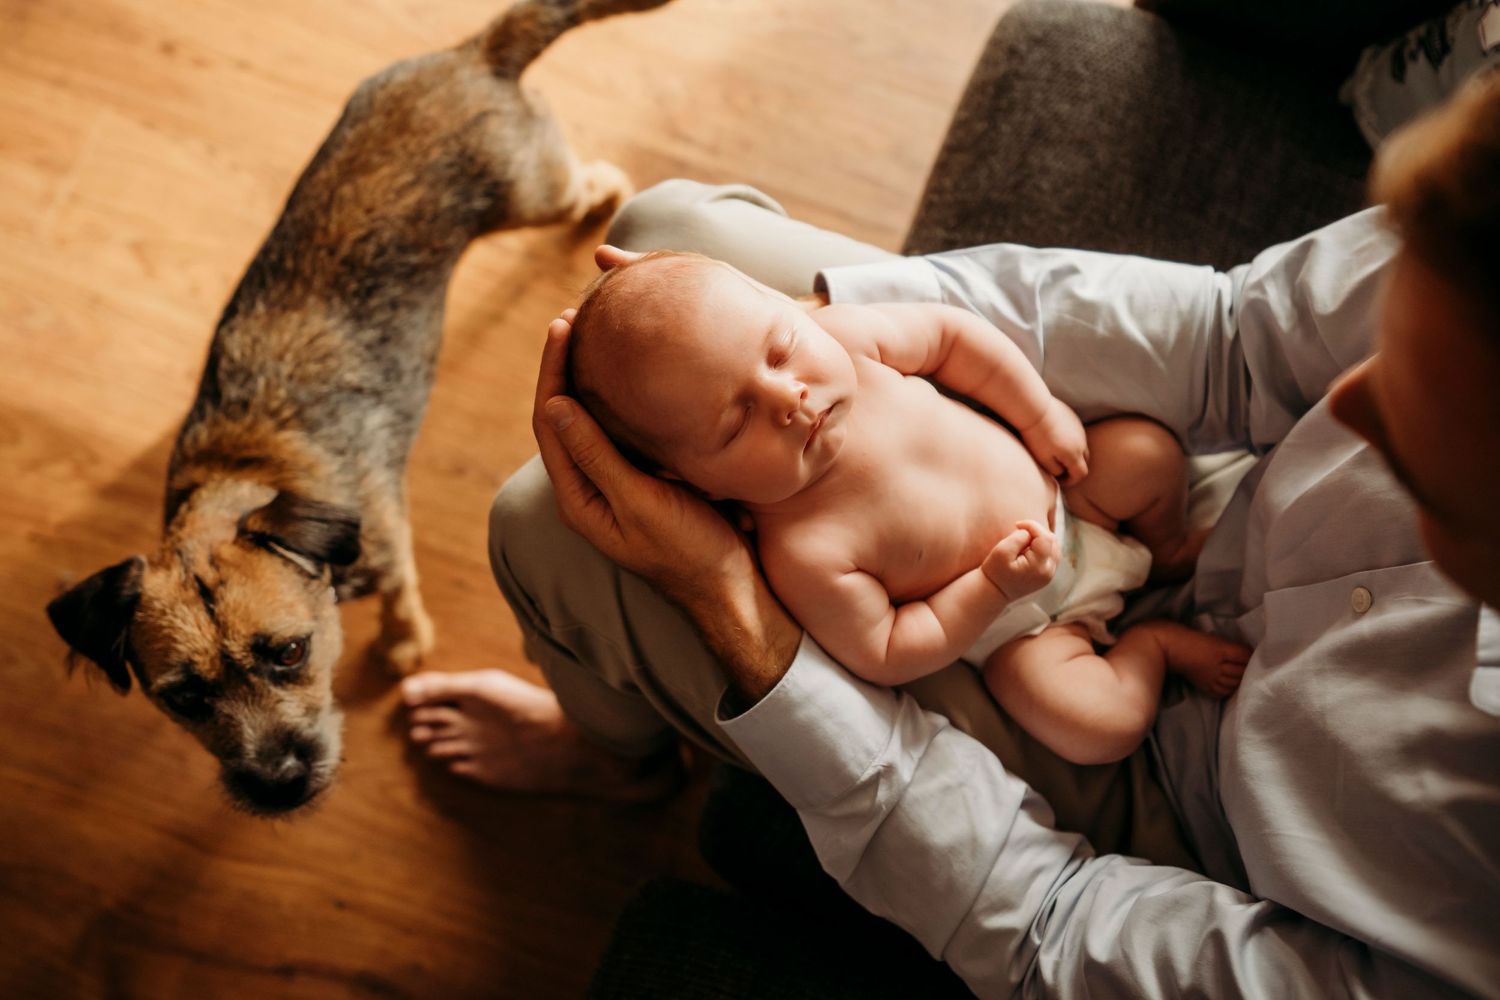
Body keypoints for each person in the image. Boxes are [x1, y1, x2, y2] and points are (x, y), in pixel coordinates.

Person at [403, 75, 1500, 995]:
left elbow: (1043, 922)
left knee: (539, 525)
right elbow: (1240, 338)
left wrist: (725, 591)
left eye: (1424, 417)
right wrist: (826, 336)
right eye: (741, 418)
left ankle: (612, 748)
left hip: (1140, 736)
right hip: (1163, 507)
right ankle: (639, 634)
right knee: (673, 231)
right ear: (707, 482)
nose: (1344, 411)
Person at [564, 249, 1246, 766]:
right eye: (736, 423)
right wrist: (990, 589)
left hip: (1077, 500)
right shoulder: (803, 551)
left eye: (779, 348)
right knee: (1099, 728)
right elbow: (888, 650)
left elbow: (953, 340)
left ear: (786, 309)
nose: (789, 398)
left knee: (1146, 453)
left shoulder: (853, 343)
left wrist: (1040, 415)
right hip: (1032, 627)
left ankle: (1168, 546)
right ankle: (1152, 649)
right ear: (696, 484)